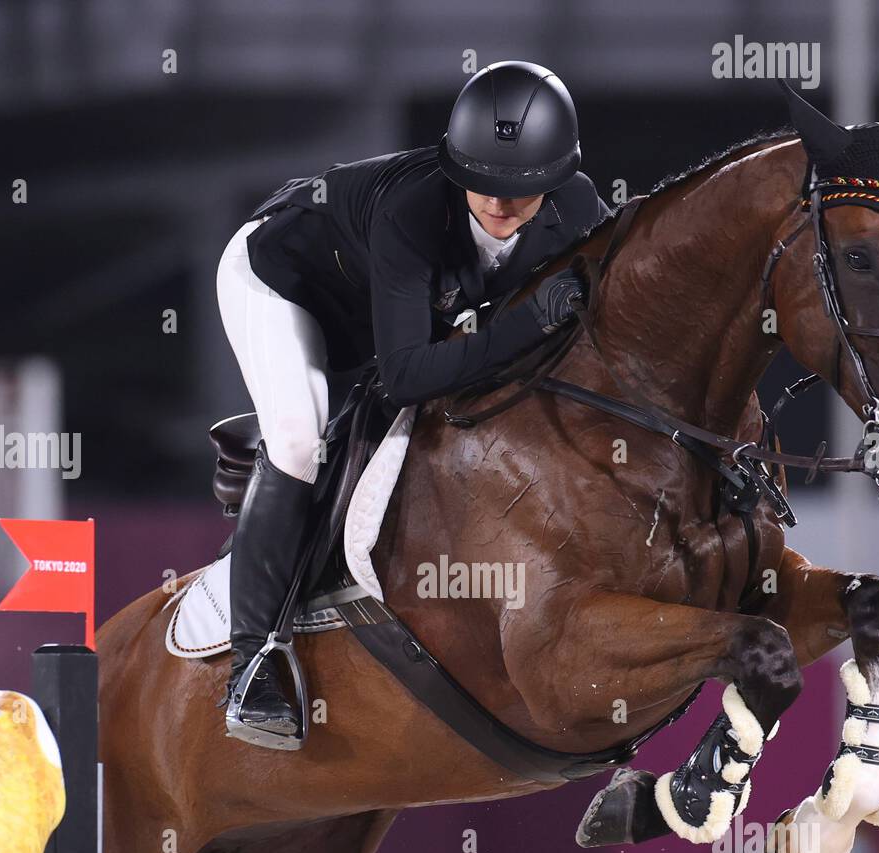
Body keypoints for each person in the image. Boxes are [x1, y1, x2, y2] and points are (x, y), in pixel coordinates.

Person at [216, 60, 610, 746]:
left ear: (558, 181)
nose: (500, 203)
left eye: (524, 190)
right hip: (282, 284)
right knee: (298, 437)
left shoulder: (579, 212)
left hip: (380, 315)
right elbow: (405, 376)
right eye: (483, 182)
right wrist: (523, 325)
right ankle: (253, 664)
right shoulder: (413, 212)